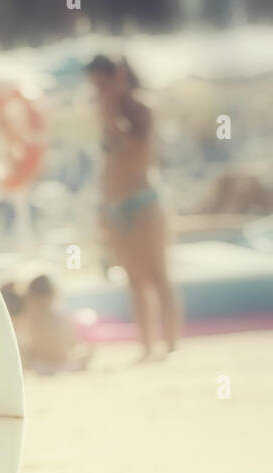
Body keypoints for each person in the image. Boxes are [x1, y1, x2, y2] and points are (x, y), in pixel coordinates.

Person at [87, 54, 180, 359]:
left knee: (158, 275)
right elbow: (109, 162)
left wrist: (113, 118)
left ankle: (171, 343)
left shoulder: (141, 107)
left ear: (119, 77)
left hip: (143, 201)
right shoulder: (103, 111)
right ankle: (146, 344)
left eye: (102, 84)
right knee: (134, 279)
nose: (98, 92)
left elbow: (137, 153)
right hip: (115, 205)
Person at [22, 274, 91, 374]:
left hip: (39, 365)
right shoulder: (61, 317)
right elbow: (73, 343)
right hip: (63, 365)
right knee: (86, 353)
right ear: (53, 294)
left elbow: (28, 347)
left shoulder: (29, 318)